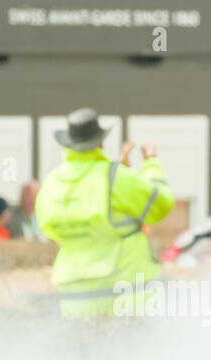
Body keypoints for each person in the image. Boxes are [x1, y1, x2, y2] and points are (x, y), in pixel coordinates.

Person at [35, 108, 174, 317]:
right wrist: (151, 164)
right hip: (129, 298)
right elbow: (160, 204)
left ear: (68, 144)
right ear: (100, 143)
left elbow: (48, 228)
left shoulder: (53, 181)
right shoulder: (114, 177)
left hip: (76, 300)